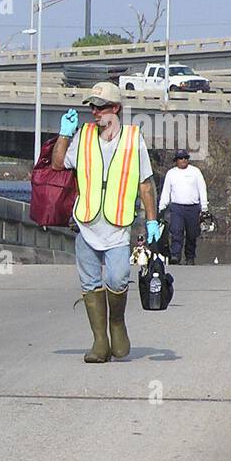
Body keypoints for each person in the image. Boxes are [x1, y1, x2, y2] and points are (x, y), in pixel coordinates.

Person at [51, 82, 160, 363]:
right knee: (90, 283)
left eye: (100, 107)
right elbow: (58, 164)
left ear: (116, 109)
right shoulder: (84, 135)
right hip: (86, 222)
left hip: (118, 226)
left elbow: (145, 183)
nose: (94, 112)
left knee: (117, 278)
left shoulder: (133, 139)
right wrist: (64, 135)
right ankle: (100, 341)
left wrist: (152, 220)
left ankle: (117, 323)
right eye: (92, 107)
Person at [158, 148, 208, 264]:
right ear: (176, 160)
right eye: (181, 158)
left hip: (193, 207)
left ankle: (190, 257)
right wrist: (162, 208)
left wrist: (204, 207)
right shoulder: (171, 173)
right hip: (177, 208)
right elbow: (166, 192)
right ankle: (175, 256)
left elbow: (202, 189)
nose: (183, 160)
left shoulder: (195, 172)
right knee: (176, 232)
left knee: (192, 234)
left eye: (185, 158)